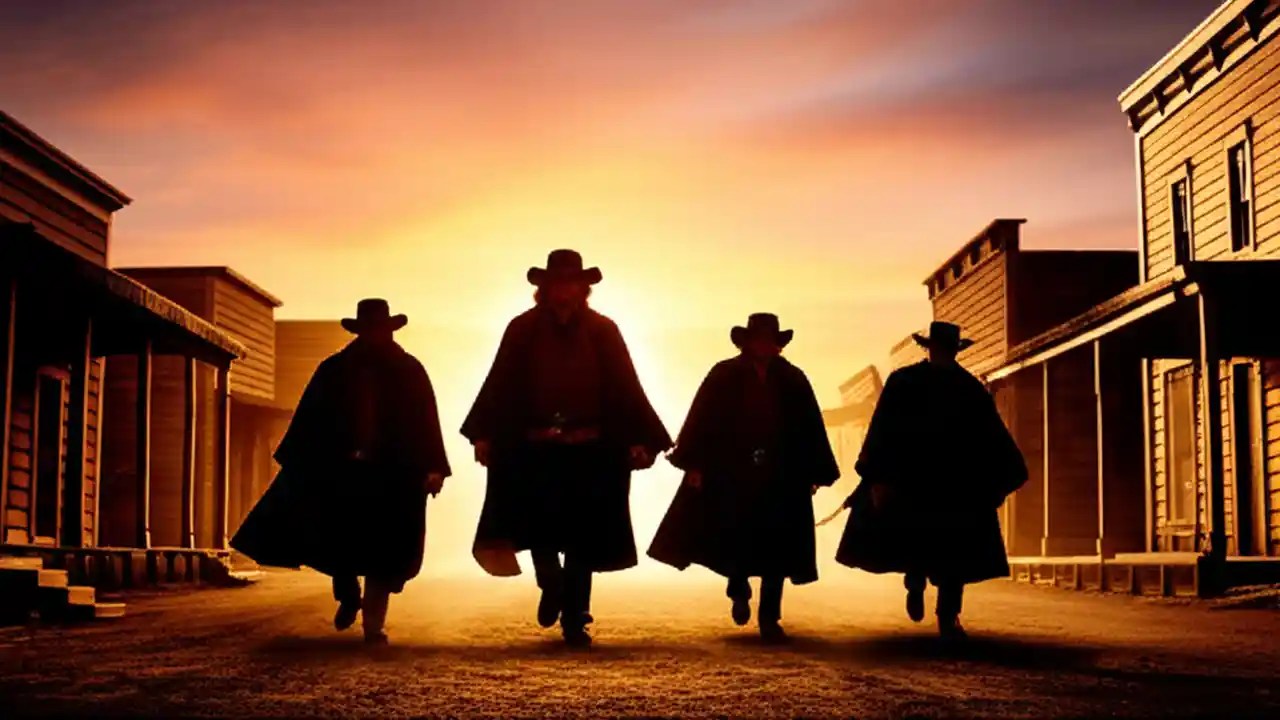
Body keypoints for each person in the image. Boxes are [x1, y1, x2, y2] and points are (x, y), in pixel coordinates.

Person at [462, 249, 672, 647]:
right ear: (544, 288)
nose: (564, 290)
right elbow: (500, 383)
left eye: (571, 283)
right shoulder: (522, 329)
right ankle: (551, 584)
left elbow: (625, 387)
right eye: (557, 283)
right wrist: (484, 434)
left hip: (590, 450)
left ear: (582, 288)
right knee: (539, 526)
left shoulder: (603, 330)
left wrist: (640, 439)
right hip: (534, 448)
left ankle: (575, 616)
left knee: (583, 538)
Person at [232, 299, 450, 645]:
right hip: (342, 474)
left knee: (384, 553)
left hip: (394, 478)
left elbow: (427, 422)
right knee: (341, 543)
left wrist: (434, 467)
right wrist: (302, 463)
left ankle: (373, 626)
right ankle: (348, 596)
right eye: (370, 329)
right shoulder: (334, 370)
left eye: (380, 329)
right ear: (361, 332)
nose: (376, 335)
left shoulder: (409, 371)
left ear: (389, 330)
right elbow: (310, 420)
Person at [649, 313, 839, 642]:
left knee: (777, 547)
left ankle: (769, 618)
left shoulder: (792, 378)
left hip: (781, 474)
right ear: (747, 342)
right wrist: (695, 465)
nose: (764, 345)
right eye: (759, 339)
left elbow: (809, 427)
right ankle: (738, 587)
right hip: (731, 472)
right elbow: (701, 420)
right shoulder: (723, 375)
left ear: (777, 344)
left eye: (769, 340)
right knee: (736, 537)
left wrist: (812, 471)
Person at [835, 321, 1026, 640]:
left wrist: (993, 479)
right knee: (926, 544)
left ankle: (947, 615)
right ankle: (918, 585)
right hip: (917, 482)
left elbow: (988, 436)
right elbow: (883, 428)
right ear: (936, 349)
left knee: (951, 553)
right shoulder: (914, 383)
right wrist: (876, 475)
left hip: (950, 486)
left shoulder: (963, 388)